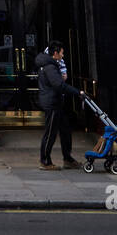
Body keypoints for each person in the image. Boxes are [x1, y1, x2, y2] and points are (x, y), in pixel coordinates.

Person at [35, 41, 84, 170]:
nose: (63, 55)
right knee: (50, 132)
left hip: (56, 102)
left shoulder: (50, 64)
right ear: (55, 53)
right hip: (51, 103)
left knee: (65, 129)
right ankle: (45, 161)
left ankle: (67, 158)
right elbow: (59, 85)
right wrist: (77, 92)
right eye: (62, 53)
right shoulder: (50, 67)